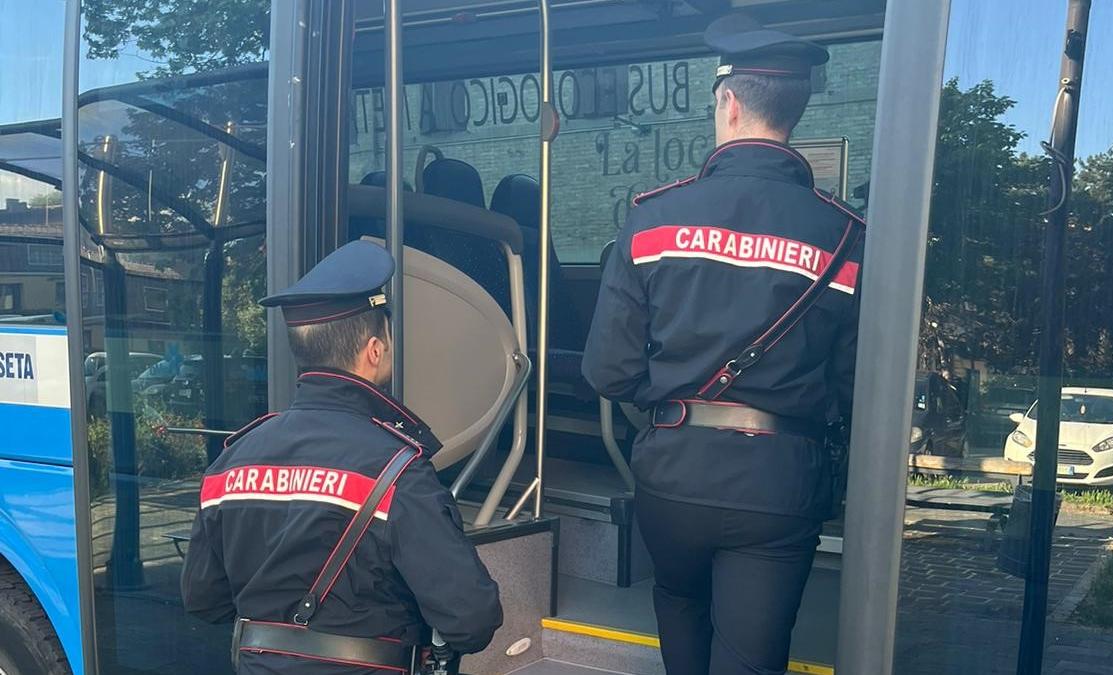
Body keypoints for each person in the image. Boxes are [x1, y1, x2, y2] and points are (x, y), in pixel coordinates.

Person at [581, 14, 865, 675]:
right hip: (780, 482)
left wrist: (672, 390)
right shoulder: (847, 236)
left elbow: (608, 370)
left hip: (673, 474)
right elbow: (855, 384)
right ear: (794, 111)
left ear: (729, 103)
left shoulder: (653, 219)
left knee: (680, 608)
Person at [181, 240, 502, 674]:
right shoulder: (397, 470)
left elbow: (204, 600)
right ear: (374, 350)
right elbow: (471, 619)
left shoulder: (231, 463)